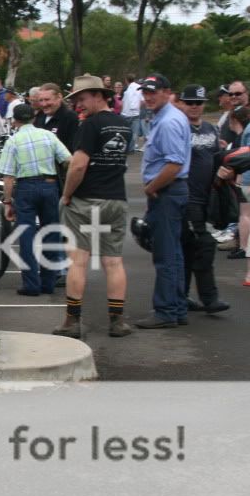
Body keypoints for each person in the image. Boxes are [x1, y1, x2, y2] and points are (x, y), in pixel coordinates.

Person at [53, 74, 133, 338]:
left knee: (78, 261)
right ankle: (117, 321)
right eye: (75, 100)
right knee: (113, 261)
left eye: (82, 98)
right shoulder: (123, 125)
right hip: (116, 198)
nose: (78, 105)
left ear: (100, 95)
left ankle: (72, 321)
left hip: (87, 200)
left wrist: (66, 195)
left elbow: (78, 165)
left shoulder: (89, 126)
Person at [134, 74, 191, 329]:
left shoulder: (168, 121)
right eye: (145, 92)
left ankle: (167, 311)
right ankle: (176, 307)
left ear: (167, 92)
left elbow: (174, 164)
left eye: (153, 92)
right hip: (171, 191)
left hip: (167, 191)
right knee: (174, 254)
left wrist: (151, 188)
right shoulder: (166, 117)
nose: (148, 97)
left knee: (166, 254)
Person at [0, 103, 71, 296]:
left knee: (26, 236)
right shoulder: (48, 135)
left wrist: (7, 202)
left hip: (26, 187)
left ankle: (31, 285)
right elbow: (68, 160)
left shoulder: (13, 141)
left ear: (15, 121)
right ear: (33, 117)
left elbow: (8, 177)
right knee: (51, 233)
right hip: (49, 185)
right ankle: (49, 282)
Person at [174, 85, 229, 313]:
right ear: (181, 104)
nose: (194, 107)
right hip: (187, 197)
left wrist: (225, 170)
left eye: (198, 103)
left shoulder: (211, 129)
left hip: (208, 197)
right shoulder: (177, 128)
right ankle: (209, 298)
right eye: (189, 103)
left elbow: (217, 159)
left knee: (189, 248)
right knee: (204, 245)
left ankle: (183, 296)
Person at [224, 106, 250, 274]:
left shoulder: (246, 132)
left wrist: (239, 174)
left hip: (247, 178)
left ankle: (243, 245)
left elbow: (245, 155)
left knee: (245, 214)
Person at [34, 83, 79, 152]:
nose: (44, 104)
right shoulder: (40, 116)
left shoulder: (70, 118)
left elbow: (72, 148)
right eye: (41, 100)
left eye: (47, 99)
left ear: (59, 97)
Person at [121, 74, 143, 153]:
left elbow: (123, 102)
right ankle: (130, 149)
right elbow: (141, 100)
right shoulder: (139, 87)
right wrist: (138, 109)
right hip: (135, 113)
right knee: (134, 133)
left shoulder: (125, 89)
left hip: (126, 113)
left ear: (126, 80)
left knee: (125, 132)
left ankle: (125, 148)